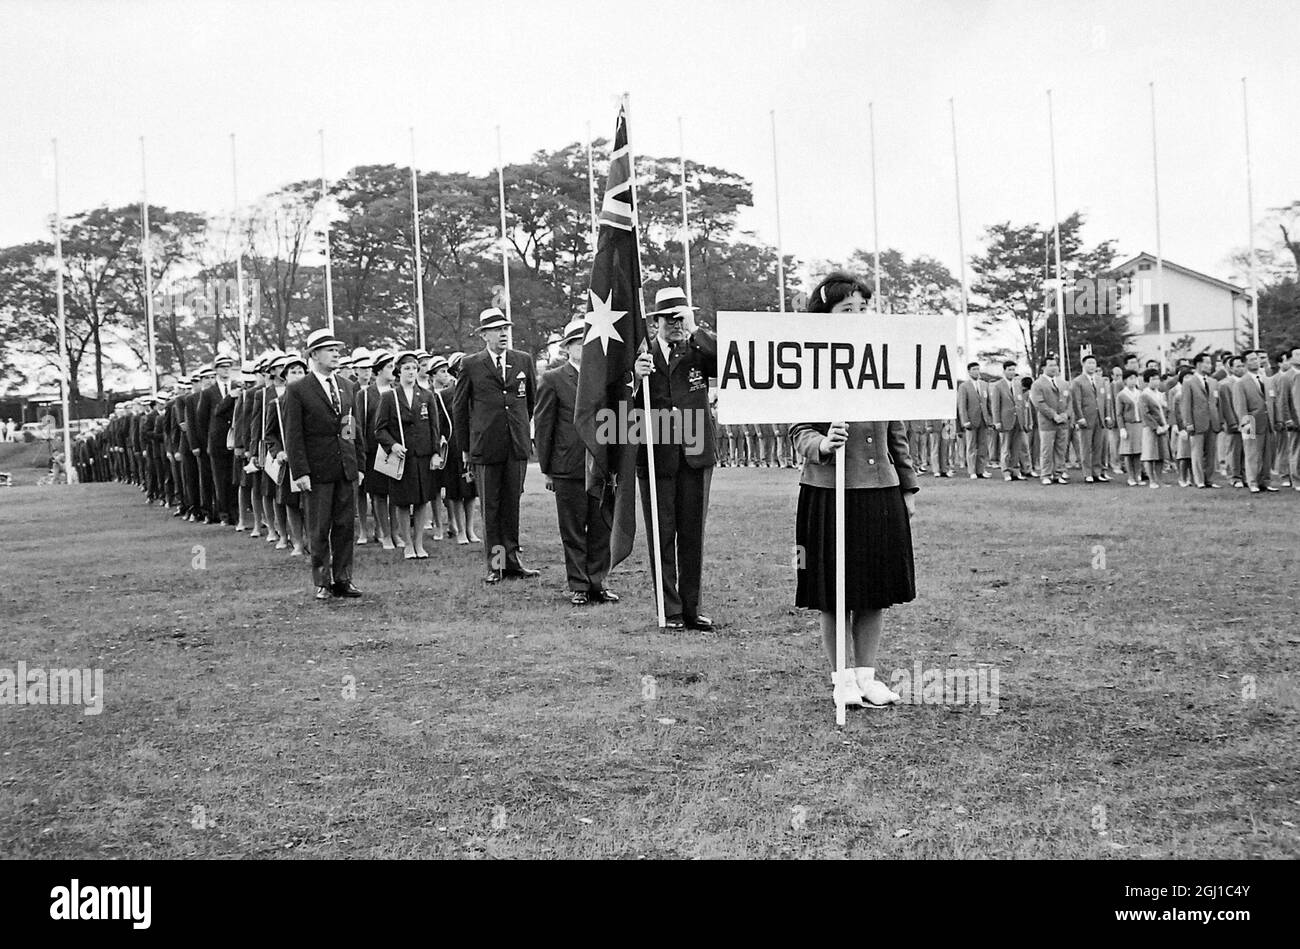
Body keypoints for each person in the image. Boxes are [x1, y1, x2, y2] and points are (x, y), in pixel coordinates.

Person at [790, 272, 914, 709]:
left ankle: (867, 676)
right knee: (833, 592)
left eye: (863, 309)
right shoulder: (805, 365)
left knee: (874, 589)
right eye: (847, 310)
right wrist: (822, 445)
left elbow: (895, 428)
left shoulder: (882, 362)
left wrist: (908, 486)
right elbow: (798, 429)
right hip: (828, 490)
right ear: (824, 316)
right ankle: (841, 678)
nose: (858, 317)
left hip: (879, 490)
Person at [632, 286, 719, 631]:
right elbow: (620, 403)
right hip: (656, 454)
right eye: (668, 319)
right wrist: (636, 380)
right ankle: (668, 609)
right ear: (656, 323)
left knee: (692, 534)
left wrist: (696, 329)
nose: (675, 324)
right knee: (661, 533)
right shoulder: (642, 356)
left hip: (696, 453)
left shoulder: (698, 350)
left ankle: (690, 607)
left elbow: (727, 359)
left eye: (680, 317)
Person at [452, 307, 539, 583]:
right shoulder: (471, 364)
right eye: (497, 330)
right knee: (491, 507)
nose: (503, 334)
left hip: (515, 446)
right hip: (486, 447)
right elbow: (460, 410)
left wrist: (521, 430)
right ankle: (496, 564)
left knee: (511, 505)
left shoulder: (522, 360)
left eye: (505, 329)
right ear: (484, 335)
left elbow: (531, 402)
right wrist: (466, 447)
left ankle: (512, 561)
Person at [536, 318, 617, 606]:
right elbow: (544, 426)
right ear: (568, 347)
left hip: (601, 464)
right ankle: (579, 584)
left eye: (588, 342)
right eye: (578, 342)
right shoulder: (553, 379)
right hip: (567, 466)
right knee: (572, 528)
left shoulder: (605, 377)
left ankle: (598, 581)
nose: (584, 347)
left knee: (601, 526)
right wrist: (547, 469)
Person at [283, 328, 368, 600]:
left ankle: (343, 579)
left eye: (337, 349)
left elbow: (351, 426)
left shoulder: (346, 385)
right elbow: (293, 434)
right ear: (314, 354)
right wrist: (301, 471)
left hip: (346, 467)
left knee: (345, 525)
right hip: (317, 471)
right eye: (330, 350)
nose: (336, 354)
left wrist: (359, 464)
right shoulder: (298, 390)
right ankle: (322, 581)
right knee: (319, 527)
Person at [375, 350, 444, 559]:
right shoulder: (389, 397)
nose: (411, 372)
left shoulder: (427, 395)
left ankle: (419, 543)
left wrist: (435, 453)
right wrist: (393, 445)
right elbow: (379, 429)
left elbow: (434, 427)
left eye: (414, 368)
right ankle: (407, 544)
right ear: (399, 371)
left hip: (422, 456)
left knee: (423, 499)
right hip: (401, 458)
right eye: (406, 368)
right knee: (403, 501)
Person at [262, 353, 309, 555]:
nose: (297, 375)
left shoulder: (314, 401)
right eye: (293, 372)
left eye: (301, 371)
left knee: (311, 502)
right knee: (291, 502)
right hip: (288, 461)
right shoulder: (277, 403)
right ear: (285, 376)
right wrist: (278, 451)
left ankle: (312, 540)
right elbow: (269, 434)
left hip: (310, 459)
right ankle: (297, 541)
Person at [1233, 350, 1277, 493]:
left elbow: (1271, 401)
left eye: (1256, 359)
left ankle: (1266, 480)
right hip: (1251, 421)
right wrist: (1245, 425)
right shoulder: (1241, 383)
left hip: (1267, 421)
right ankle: (1252, 482)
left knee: (1267, 454)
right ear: (1245, 363)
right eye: (1251, 359)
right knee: (1252, 453)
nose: (1255, 361)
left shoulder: (1267, 379)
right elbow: (1240, 406)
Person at [1181, 352, 1221, 489]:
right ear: (1198, 364)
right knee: (1197, 452)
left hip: (1212, 421)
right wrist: (1188, 423)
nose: (1210, 366)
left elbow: (1216, 403)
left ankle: (1209, 478)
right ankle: (1199, 480)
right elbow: (1186, 405)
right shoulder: (1189, 382)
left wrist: (1219, 420)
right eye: (1207, 363)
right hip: (1197, 422)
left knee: (1211, 453)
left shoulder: (1213, 382)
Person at [1030, 356, 1071, 485]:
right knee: (1047, 449)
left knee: (1061, 449)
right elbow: (1039, 403)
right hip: (1047, 423)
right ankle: (1046, 474)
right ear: (1043, 367)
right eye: (1051, 365)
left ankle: (1058, 473)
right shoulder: (1038, 384)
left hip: (1063, 422)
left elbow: (1069, 401)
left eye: (1055, 365)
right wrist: (1054, 415)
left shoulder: (1063, 383)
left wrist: (1066, 414)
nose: (1054, 368)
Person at [1069, 354, 1109, 483]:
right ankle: (1087, 473)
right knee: (1086, 446)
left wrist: (1107, 415)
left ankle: (1097, 472)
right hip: (1086, 417)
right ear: (1083, 364)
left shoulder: (1101, 380)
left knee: (1099, 446)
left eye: (1094, 363)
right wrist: (1079, 417)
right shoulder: (1078, 381)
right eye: (1089, 363)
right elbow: (1076, 401)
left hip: (1100, 418)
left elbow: (1105, 400)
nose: (1092, 366)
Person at [990, 360, 1029, 480]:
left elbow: (1021, 404)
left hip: (1018, 421)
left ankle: (1015, 470)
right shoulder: (998, 385)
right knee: (1005, 448)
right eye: (1010, 370)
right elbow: (995, 405)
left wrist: (1024, 421)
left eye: (1013, 370)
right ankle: (1006, 471)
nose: (1012, 372)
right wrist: (997, 421)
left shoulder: (1017, 385)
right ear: (1004, 371)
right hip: (1005, 421)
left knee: (1016, 448)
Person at [956, 362, 992, 478]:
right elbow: (962, 405)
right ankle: (972, 471)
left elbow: (989, 404)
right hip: (971, 420)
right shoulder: (964, 386)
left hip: (983, 419)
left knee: (983, 446)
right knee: (971, 445)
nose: (977, 371)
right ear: (969, 371)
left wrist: (990, 419)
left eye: (978, 369)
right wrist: (965, 420)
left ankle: (981, 469)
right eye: (974, 369)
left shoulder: (984, 385)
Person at [1138, 368, 1169, 488]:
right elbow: (1145, 414)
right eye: (1153, 379)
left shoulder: (1160, 394)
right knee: (1150, 455)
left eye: (1157, 379)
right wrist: (1156, 427)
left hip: (1162, 426)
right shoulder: (1144, 395)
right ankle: (1151, 480)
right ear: (1147, 381)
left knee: (1160, 455)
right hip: (1150, 428)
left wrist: (1165, 424)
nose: (1156, 381)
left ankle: (1159, 479)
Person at [1218, 354, 1245, 487]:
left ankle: (1246, 475)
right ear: (1231, 368)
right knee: (1234, 450)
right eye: (1238, 366)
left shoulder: (1247, 381)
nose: (1241, 368)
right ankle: (1234, 477)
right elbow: (1226, 406)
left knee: (1247, 450)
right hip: (1233, 422)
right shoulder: (1225, 384)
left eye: (1242, 365)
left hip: (1247, 420)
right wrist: (1232, 422)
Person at [1115, 369, 1144, 485]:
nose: (1133, 381)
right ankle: (1131, 477)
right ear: (1125, 381)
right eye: (1130, 379)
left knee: (1138, 452)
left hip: (1139, 424)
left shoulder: (1140, 393)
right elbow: (1119, 413)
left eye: (1134, 378)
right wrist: (1122, 428)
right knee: (1128, 452)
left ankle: (1138, 475)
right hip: (1128, 425)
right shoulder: (1121, 395)